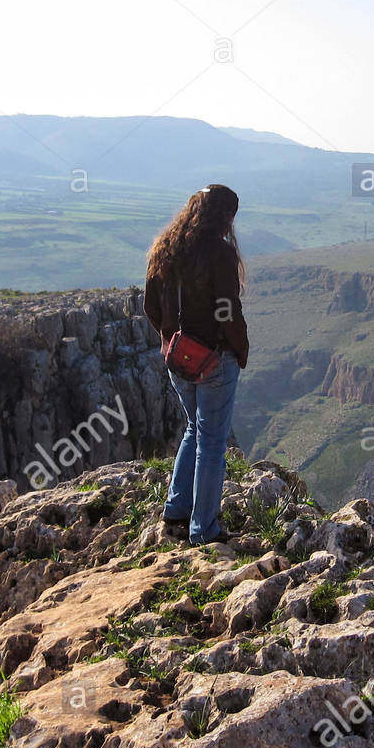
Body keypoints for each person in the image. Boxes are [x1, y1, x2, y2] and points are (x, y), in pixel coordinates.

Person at [142, 183, 249, 545]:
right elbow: (228, 310)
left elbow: (150, 307)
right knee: (212, 443)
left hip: (178, 360)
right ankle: (204, 530)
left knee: (194, 430)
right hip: (214, 360)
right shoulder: (219, 254)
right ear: (225, 217)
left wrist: (170, 338)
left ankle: (175, 513)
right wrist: (241, 348)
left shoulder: (166, 249)